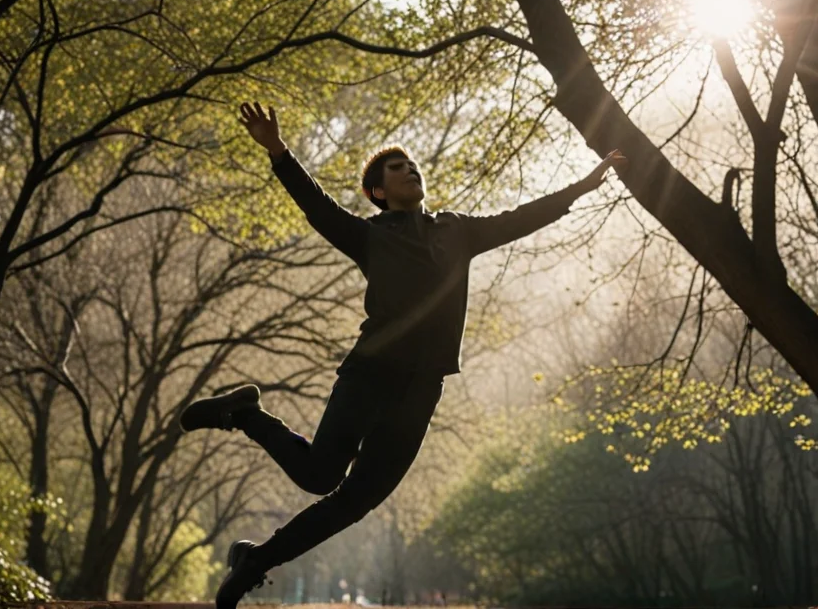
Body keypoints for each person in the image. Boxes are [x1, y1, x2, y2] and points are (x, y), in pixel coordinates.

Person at [180, 101, 627, 609]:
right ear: (378, 192)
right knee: (319, 476)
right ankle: (248, 415)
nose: (410, 169)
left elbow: (521, 218)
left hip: (422, 390)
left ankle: (256, 561)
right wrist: (278, 150)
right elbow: (317, 205)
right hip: (371, 374)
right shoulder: (369, 237)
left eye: (412, 165)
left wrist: (586, 184)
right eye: (397, 168)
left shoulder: (457, 230)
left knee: (355, 501)